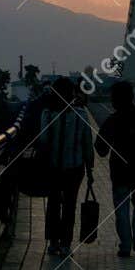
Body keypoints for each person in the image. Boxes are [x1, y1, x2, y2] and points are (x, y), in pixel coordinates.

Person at [95, 82, 135, 257]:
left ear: (115, 100)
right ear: (132, 97)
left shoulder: (113, 120)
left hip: (119, 171)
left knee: (121, 208)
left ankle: (125, 245)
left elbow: (100, 148)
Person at [34, 76, 94, 258]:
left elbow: (43, 141)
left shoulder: (47, 114)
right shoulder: (81, 115)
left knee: (53, 204)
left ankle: (53, 243)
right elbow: (87, 145)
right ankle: (66, 245)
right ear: (72, 94)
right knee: (70, 205)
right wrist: (90, 169)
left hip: (53, 167)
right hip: (75, 168)